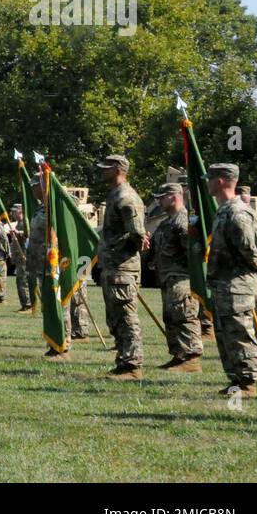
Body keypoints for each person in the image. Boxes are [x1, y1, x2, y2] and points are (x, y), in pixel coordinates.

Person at [207, 163, 257, 397]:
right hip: (224, 284)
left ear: (220, 181)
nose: (207, 183)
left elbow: (249, 250)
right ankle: (237, 379)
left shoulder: (237, 212)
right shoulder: (224, 210)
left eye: (210, 179)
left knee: (240, 334)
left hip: (237, 285)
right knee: (226, 334)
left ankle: (248, 382)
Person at [97, 154, 148, 380]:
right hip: (113, 266)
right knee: (116, 316)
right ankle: (123, 361)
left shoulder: (126, 197)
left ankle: (132, 365)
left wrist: (124, 248)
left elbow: (137, 232)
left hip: (123, 267)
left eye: (106, 168)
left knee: (126, 316)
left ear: (118, 169)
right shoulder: (115, 195)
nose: (102, 171)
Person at [149, 182, 202, 372]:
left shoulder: (184, 221)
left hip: (182, 279)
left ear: (174, 196)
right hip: (167, 278)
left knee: (184, 316)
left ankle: (191, 357)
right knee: (171, 317)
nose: (159, 201)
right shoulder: (166, 222)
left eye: (161, 197)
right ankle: (179, 355)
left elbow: (192, 253)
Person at [8, 204, 32, 313]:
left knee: (23, 281)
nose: (12, 214)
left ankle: (28, 304)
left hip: (24, 256)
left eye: (14, 212)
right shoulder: (18, 223)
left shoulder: (25, 222)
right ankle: (24, 304)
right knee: (19, 281)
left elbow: (29, 234)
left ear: (20, 212)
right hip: (19, 257)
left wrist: (19, 233)